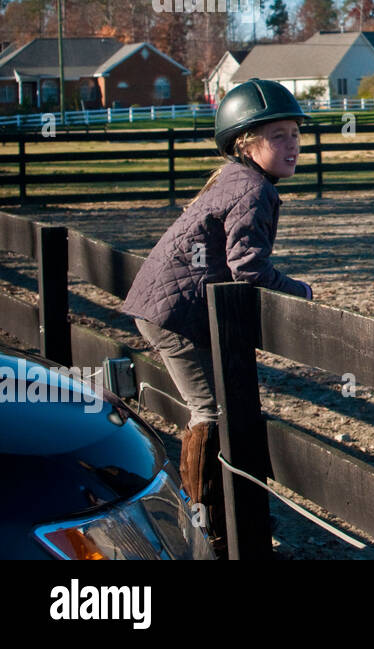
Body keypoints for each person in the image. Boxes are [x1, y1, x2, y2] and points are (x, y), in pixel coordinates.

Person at [121, 78, 313, 556]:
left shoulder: (238, 178)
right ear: (245, 144)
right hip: (176, 313)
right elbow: (248, 268)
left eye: (295, 133)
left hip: (170, 306)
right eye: (278, 137)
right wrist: (299, 291)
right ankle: (210, 525)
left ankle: (215, 515)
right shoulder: (253, 191)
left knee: (212, 407)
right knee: (213, 411)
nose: (292, 145)